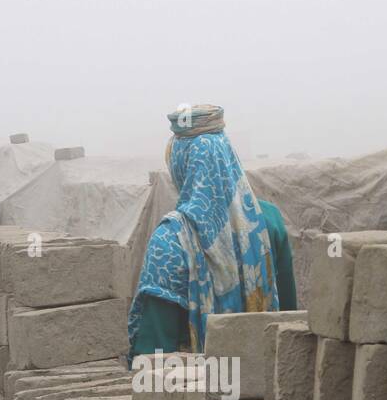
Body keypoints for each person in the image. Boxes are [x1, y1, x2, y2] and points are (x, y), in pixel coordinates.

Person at [127, 104, 296, 358]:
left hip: (197, 392)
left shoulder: (170, 241)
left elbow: (153, 352)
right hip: (268, 384)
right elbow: (289, 322)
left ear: (181, 165)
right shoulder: (269, 220)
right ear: (228, 156)